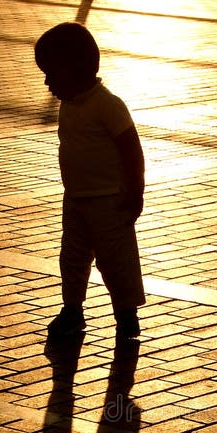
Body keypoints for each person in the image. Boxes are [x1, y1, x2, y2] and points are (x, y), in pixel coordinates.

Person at [35, 22, 145, 341]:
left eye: (52, 74)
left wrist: (135, 190)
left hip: (110, 200)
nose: (48, 83)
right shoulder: (69, 106)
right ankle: (72, 309)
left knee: (116, 262)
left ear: (76, 70)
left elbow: (131, 148)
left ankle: (126, 315)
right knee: (72, 258)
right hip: (77, 199)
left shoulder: (107, 105)